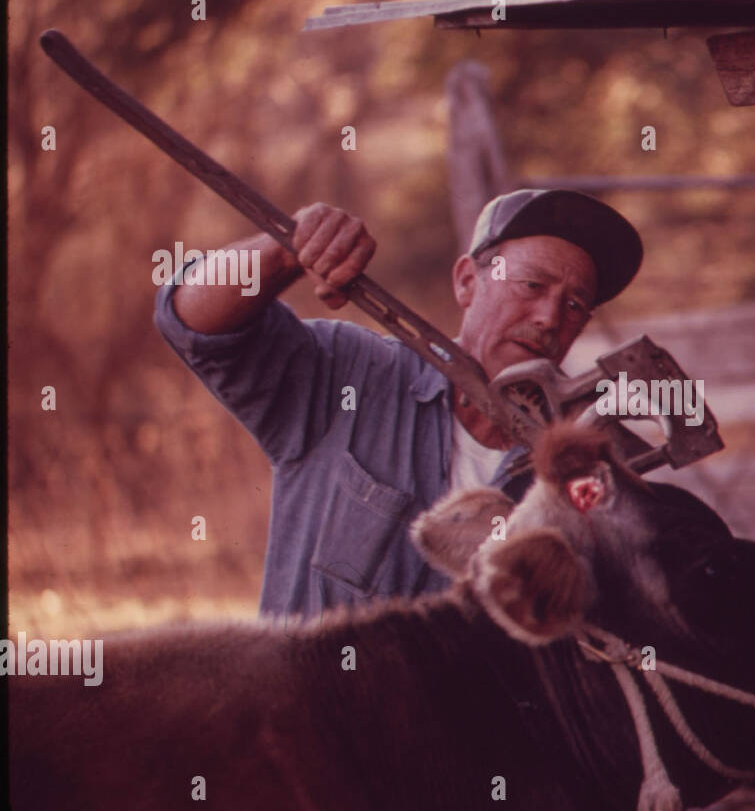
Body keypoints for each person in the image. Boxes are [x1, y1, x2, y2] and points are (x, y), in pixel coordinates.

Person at [154, 189, 642, 618]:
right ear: (467, 282)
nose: (549, 316)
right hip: (307, 720)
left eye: (575, 304)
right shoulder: (349, 374)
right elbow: (193, 323)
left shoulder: (581, 473)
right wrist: (284, 251)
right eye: (532, 285)